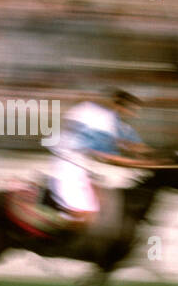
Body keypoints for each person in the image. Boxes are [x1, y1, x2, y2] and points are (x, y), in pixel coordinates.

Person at [45, 89, 162, 228]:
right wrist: (143, 164)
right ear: (120, 105)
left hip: (82, 167)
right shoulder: (101, 120)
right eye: (132, 110)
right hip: (69, 168)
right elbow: (109, 158)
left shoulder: (105, 116)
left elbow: (133, 143)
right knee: (86, 214)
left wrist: (154, 156)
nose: (133, 114)